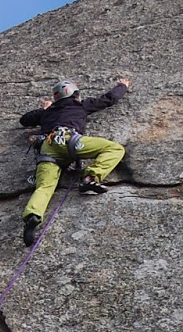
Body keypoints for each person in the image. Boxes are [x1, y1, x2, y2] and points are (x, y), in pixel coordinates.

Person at [19, 76, 131, 245]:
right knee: (115, 149)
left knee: (44, 186)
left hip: (48, 148)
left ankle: (32, 215)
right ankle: (90, 178)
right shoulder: (79, 105)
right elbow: (109, 99)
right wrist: (122, 86)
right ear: (75, 94)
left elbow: (24, 120)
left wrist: (45, 109)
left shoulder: (47, 113)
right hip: (70, 141)